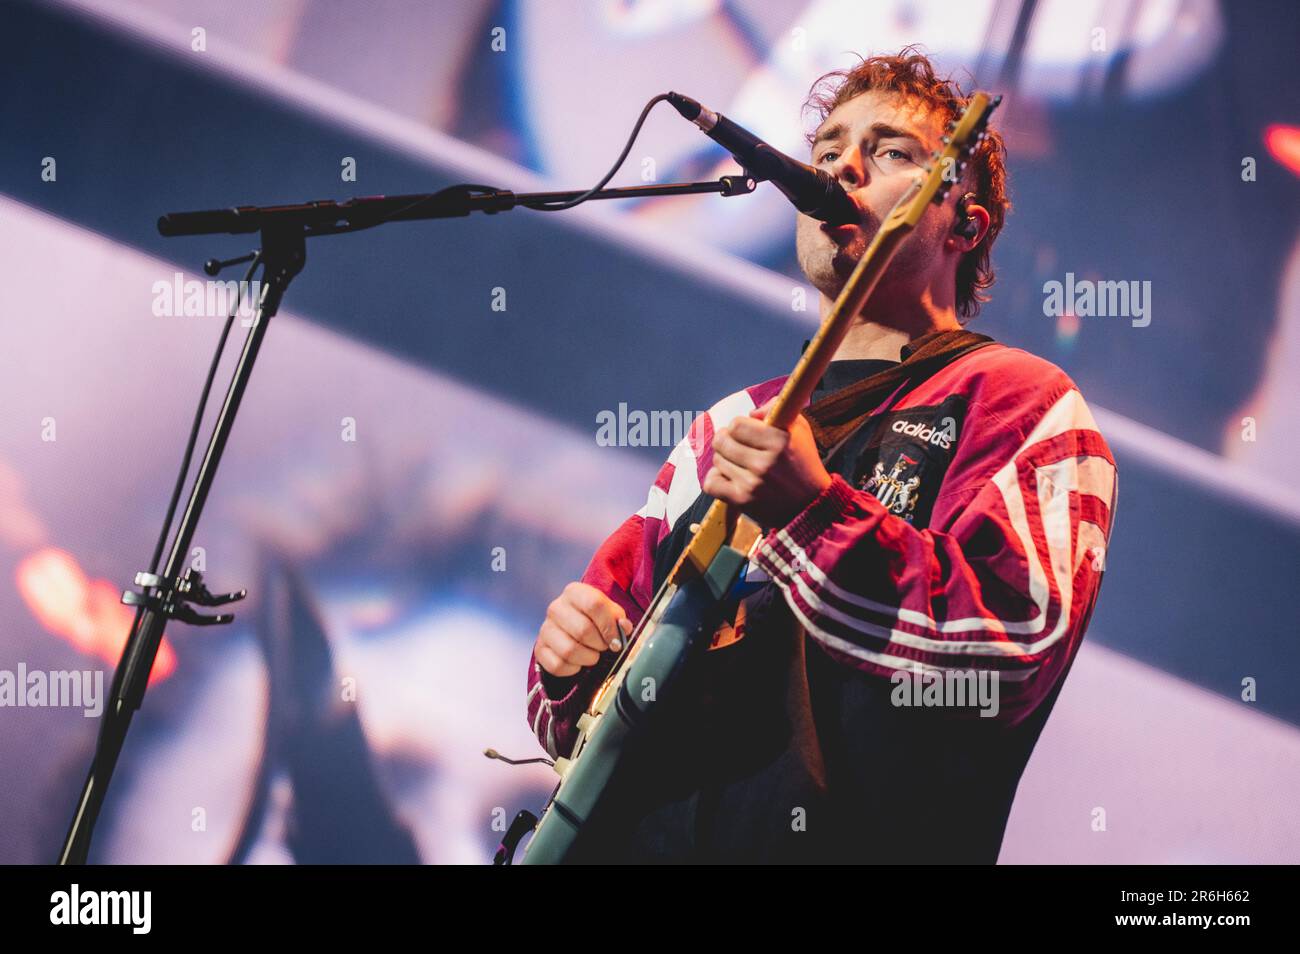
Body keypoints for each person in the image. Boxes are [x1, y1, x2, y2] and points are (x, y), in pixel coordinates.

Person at [525, 48, 1118, 863]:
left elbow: (1011, 650)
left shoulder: (1019, 401)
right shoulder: (728, 423)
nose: (842, 165)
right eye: (828, 148)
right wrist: (568, 668)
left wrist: (813, 515)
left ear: (965, 223)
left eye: (891, 151)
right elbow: (596, 701)